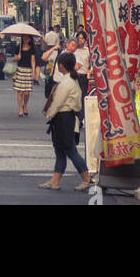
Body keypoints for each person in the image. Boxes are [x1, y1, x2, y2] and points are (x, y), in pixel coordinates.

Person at [39, 51, 92, 191]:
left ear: (61, 65)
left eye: (58, 63)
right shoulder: (71, 81)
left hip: (64, 119)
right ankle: (55, 181)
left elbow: (57, 103)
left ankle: (87, 179)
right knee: (60, 151)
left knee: (70, 150)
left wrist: (49, 115)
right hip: (66, 118)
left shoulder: (67, 82)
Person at [13, 34, 37, 117]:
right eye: (24, 37)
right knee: (20, 92)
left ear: (30, 39)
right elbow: (14, 59)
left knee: (26, 92)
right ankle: (20, 109)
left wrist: (33, 72)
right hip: (20, 70)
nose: (26, 39)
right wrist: (17, 57)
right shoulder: (18, 47)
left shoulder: (32, 48)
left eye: (27, 38)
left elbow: (33, 61)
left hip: (28, 70)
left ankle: (25, 106)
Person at [39, 30, 63, 101]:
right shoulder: (55, 51)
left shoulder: (56, 52)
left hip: (51, 71)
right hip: (51, 71)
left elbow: (44, 58)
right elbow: (43, 58)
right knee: (49, 85)